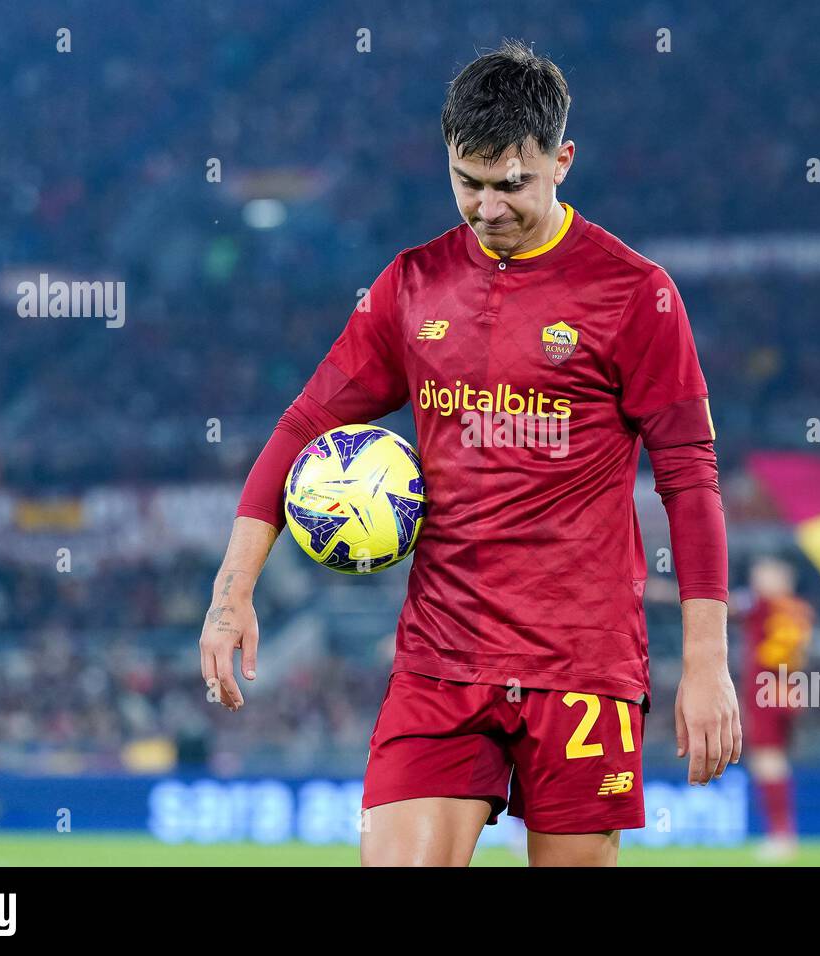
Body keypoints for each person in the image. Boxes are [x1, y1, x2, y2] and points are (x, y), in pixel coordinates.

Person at [197, 40, 740, 867]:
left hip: (582, 665)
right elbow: (301, 427)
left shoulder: (636, 294)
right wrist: (232, 590)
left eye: (511, 185)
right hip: (441, 661)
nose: (486, 208)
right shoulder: (411, 286)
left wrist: (707, 665)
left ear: (562, 160)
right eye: (467, 183)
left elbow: (690, 482)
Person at [733, 555, 813, 860]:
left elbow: (725, 604)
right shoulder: (800, 609)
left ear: (781, 579)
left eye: (763, 574)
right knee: (774, 760)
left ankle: (781, 836)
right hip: (787, 689)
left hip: (764, 689)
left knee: (768, 760)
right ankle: (783, 833)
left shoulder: (763, 605)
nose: (756, 580)